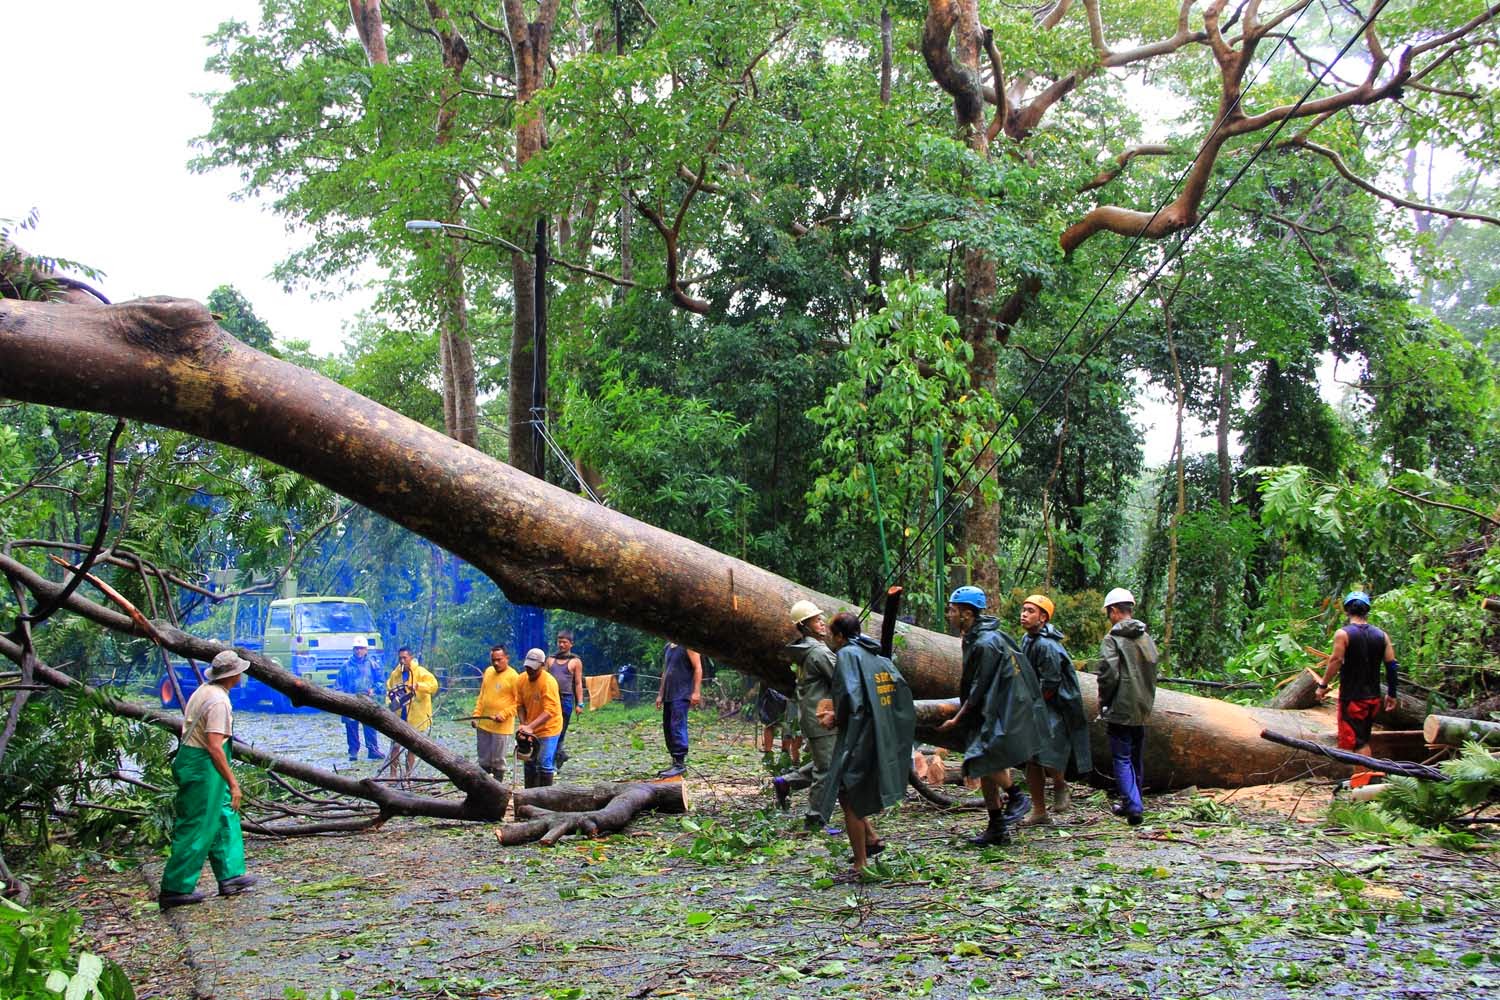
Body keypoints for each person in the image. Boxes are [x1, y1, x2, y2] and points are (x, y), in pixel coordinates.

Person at [937, 586, 1043, 847]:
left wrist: (958, 718)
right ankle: (997, 826)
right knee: (984, 769)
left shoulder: (986, 642)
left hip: (999, 707)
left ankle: (1016, 795)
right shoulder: (974, 636)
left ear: (966, 613)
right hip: (989, 706)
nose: (949, 614)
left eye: (952, 610)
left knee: (979, 760)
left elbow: (980, 686)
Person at [814, 612, 915, 876]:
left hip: (858, 735)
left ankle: (861, 863)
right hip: (876, 732)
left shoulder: (847, 655)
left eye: (830, 634)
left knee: (849, 795)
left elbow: (850, 696)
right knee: (853, 792)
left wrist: (836, 717)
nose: (827, 638)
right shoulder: (875, 656)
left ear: (839, 636)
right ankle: (870, 840)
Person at [158, 649, 257, 910]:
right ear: (233, 675)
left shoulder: (206, 691)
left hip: (201, 761)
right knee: (198, 823)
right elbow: (214, 746)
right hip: (203, 764)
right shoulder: (218, 702)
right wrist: (234, 783)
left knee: (224, 812)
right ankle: (175, 887)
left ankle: (231, 874)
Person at [1018, 594, 1092, 825]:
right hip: (1033, 703)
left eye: (1030, 611)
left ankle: (1060, 784)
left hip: (1053, 706)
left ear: (1043, 617)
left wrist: (1035, 705)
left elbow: (1050, 682)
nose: (1024, 614)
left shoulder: (1047, 646)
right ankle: (1039, 810)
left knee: (1047, 753)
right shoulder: (1027, 640)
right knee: (1031, 758)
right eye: (1024, 609)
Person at [773, 600, 840, 832]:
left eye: (821, 619)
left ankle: (786, 782)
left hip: (812, 715)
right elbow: (840, 678)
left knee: (827, 761)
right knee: (827, 769)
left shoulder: (805, 649)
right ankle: (816, 819)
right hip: (821, 717)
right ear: (805, 625)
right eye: (816, 620)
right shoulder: (819, 652)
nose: (822, 623)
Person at [1097, 588, 1158, 826]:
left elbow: (1109, 673)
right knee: (1135, 756)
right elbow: (1154, 670)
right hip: (1143, 706)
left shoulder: (1113, 639)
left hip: (1121, 707)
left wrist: (1104, 700)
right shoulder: (1145, 638)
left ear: (1113, 611)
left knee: (1121, 758)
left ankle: (1132, 805)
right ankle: (1133, 800)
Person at [1316, 590, 1399, 756]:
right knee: (1362, 738)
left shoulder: (1344, 634)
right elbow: (1391, 665)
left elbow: (1336, 660)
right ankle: (1360, 778)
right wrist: (1391, 694)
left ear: (1346, 611)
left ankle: (1362, 780)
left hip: (1353, 698)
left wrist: (1323, 685)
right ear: (1367, 611)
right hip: (1373, 698)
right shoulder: (1382, 636)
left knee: (1357, 743)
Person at [385, 646, 439, 784]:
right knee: (395, 746)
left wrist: (418, 686)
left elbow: (433, 686)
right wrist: (390, 702)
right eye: (400, 658)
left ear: (411, 657)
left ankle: (408, 776)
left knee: (412, 747)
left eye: (405, 658)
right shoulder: (395, 674)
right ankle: (393, 775)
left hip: (416, 716)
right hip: (399, 715)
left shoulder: (421, 672)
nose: (402, 661)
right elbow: (389, 690)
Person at [516, 648, 564, 787]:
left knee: (544, 762)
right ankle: (529, 794)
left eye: (533, 668)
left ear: (542, 666)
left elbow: (549, 711)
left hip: (549, 728)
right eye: (528, 667)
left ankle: (545, 797)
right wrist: (524, 725)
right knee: (529, 761)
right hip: (531, 726)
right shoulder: (521, 679)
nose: (530, 670)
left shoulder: (548, 682)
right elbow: (520, 705)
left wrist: (530, 727)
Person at [472, 645, 521, 780]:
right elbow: (482, 695)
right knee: (483, 759)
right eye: (493, 660)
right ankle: (484, 786)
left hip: (501, 727)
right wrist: (476, 715)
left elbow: (519, 703)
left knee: (498, 760)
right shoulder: (488, 671)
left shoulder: (513, 677)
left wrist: (504, 714)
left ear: (507, 658)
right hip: (484, 723)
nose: (496, 663)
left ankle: (498, 787)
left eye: (499, 660)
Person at [655, 641, 703, 777]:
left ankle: (680, 764)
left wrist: (696, 692)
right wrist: (660, 694)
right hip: (669, 694)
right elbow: (666, 672)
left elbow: (698, 667)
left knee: (677, 726)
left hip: (682, 693)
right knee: (668, 728)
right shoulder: (667, 647)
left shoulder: (688, 645)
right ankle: (674, 762)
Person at [335, 641, 384, 762]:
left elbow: (381, 681)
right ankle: (353, 751)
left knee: (370, 725)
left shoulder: (373, 665)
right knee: (351, 726)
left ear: (366, 650)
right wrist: (343, 698)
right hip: (350, 700)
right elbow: (338, 685)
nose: (359, 651)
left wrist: (374, 689)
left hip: (368, 700)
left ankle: (373, 750)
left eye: (361, 648)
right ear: (353, 649)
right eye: (357, 648)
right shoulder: (345, 666)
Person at [546, 631, 585, 767]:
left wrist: (580, 703)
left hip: (566, 699)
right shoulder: (550, 660)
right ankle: (555, 757)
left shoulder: (575, 661)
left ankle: (557, 757)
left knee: (561, 730)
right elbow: (543, 680)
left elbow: (578, 683)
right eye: (559, 642)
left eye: (565, 642)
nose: (561, 645)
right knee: (549, 729)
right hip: (550, 699)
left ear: (571, 644)